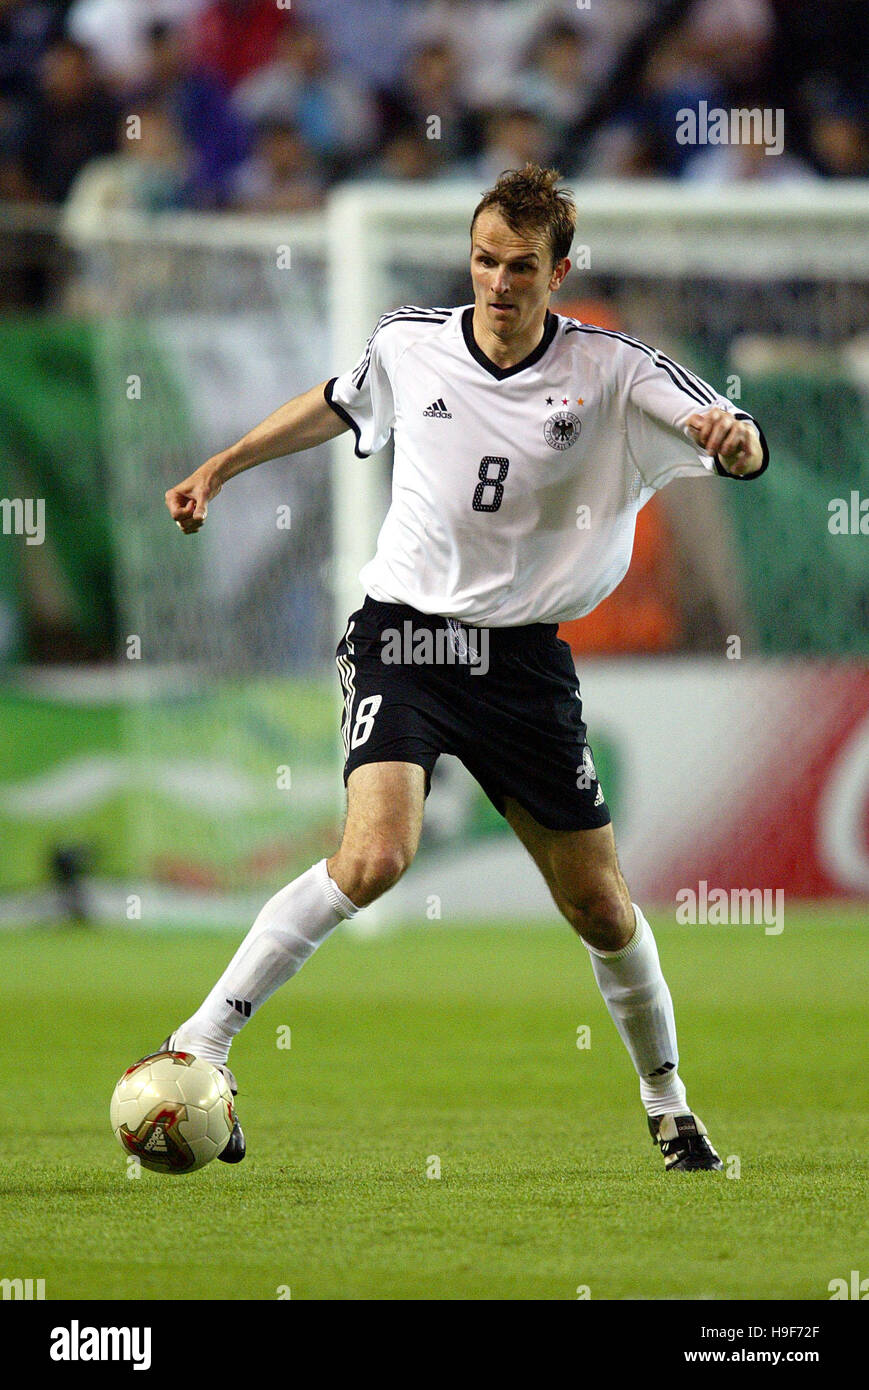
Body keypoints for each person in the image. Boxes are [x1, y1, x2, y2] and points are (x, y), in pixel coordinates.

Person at [161, 164, 768, 1173]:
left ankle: (667, 1104)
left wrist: (731, 439)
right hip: (405, 637)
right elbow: (329, 404)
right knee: (374, 857)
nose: (494, 282)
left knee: (601, 907)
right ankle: (200, 1041)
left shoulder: (615, 372)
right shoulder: (410, 342)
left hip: (524, 666)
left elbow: (739, 446)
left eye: (519, 266)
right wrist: (219, 468)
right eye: (482, 260)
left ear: (557, 272)